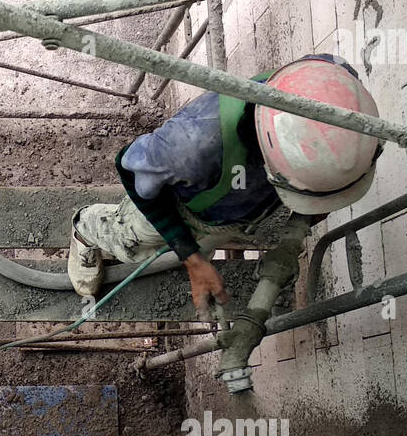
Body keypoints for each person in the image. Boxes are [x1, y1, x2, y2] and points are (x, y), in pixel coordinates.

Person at [67, 54, 382, 316]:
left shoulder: (332, 82)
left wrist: (297, 230)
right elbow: (130, 171)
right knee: (130, 241)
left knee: (235, 223)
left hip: (246, 202)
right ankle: (85, 228)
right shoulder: (189, 147)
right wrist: (192, 259)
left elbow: (330, 183)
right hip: (187, 202)